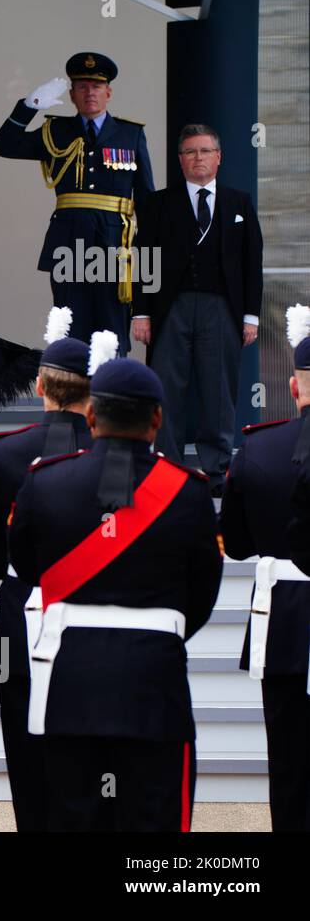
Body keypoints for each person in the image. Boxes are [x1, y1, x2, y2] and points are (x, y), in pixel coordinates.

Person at [9, 354, 222, 831]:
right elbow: (201, 595)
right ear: (157, 420)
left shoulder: (45, 482)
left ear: (91, 416)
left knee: (72, 816)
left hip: (69, 684)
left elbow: (27, 568)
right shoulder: (188, 492)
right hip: (154, 682)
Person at [0, 307, 92, 832]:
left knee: (26, 758)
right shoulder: (116, 458)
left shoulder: (2, 455)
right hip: (92, 615)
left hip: (21, 613)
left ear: (39, 384)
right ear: (93, 392)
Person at [133, 124, 264, 494]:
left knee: (218, 390)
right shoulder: (158, 203)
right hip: (169, 308)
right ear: (180, 160)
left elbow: (251, 263)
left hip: (221, 308)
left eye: (205, 151)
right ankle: (168, 468)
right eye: (190, 152)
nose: (198, 158)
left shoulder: (239, 202)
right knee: (166, 388)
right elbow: (145, 259)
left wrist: (250, 316)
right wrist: (141, 312)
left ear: (218, 157)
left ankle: (218, 470)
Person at [0, 53, 154, 348]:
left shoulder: (131, 134)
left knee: (111, 328)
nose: (89, 92)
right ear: (71, 95)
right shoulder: (55, 130)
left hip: (114, 244)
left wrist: (146, 250)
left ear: (108, 92)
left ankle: (111, 392)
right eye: (81, 86)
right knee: (70, 326)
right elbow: (3, 145)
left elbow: (146, 197)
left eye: (96, 86)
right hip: (68, 241)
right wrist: (30, 106)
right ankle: (72, 393)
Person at [219, 313, 310, 831]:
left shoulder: (257, 447)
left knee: (290, 758)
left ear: (294, 386)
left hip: (283, 619)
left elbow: (236, 545)